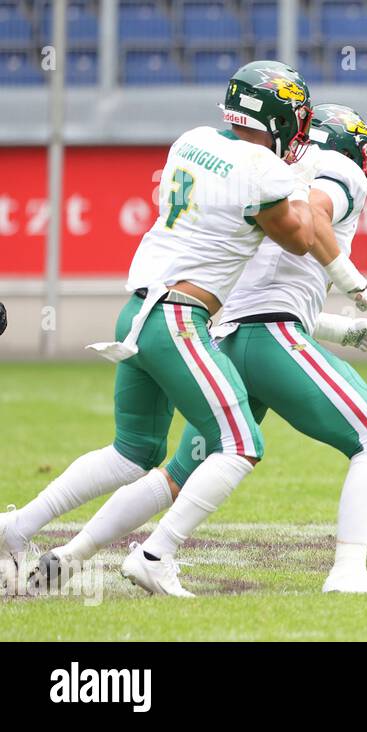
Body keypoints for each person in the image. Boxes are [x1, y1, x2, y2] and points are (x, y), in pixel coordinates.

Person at [28, 104, 367, 596]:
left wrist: (334, 328)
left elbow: (271, 281)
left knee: (178, 472)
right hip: (269, 338)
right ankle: (347, 571)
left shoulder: (267, 172)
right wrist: (353, 282)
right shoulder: (338, 169)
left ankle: (70, 555)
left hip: (226, 337)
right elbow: (313, 220)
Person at [0, 61, 325, 597]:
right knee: (240, 443)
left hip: (136, 311)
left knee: (133, 449)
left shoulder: (192, 139)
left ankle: (17, 528)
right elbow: (300, 239)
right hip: (178, 317)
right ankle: (156, 554)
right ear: (277, 119)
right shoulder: (265, 169)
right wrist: (306, 185)